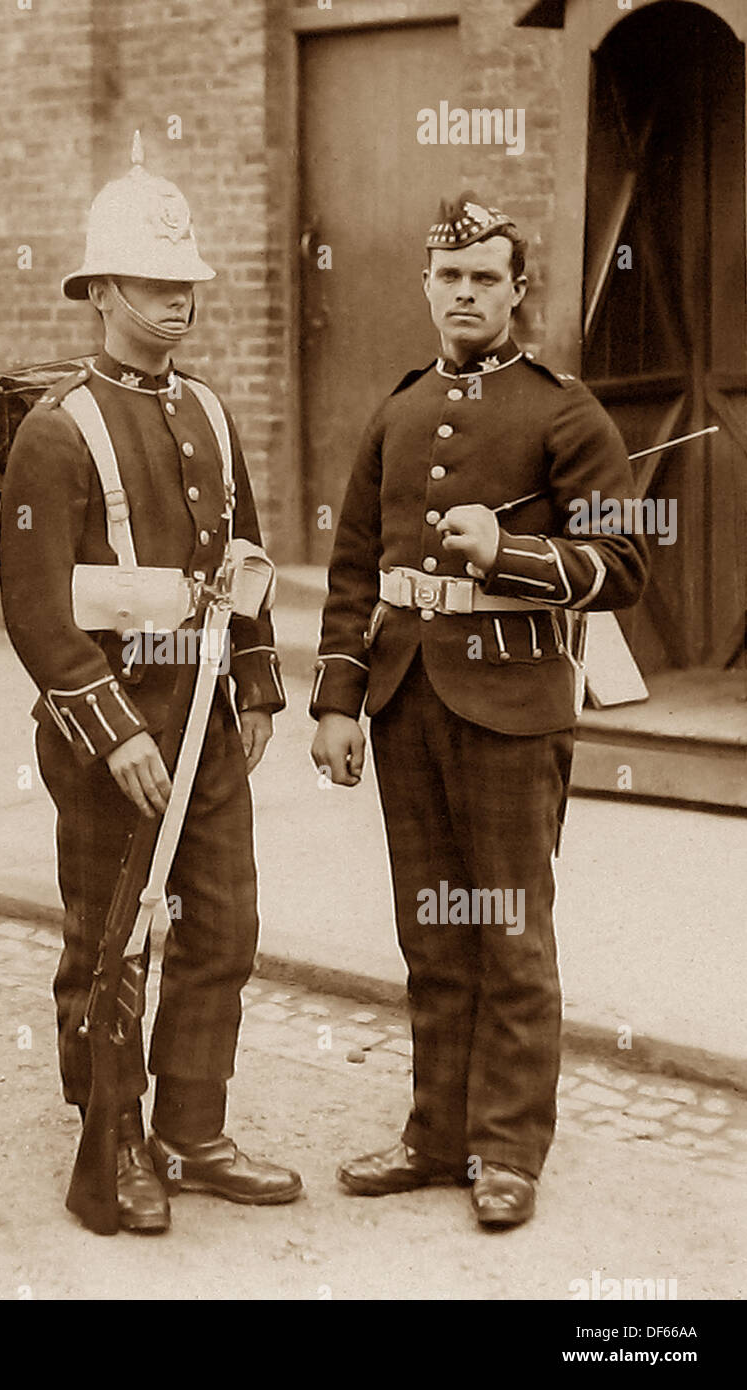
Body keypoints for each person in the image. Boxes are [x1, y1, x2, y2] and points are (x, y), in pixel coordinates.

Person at [309, 193, 648, 1228]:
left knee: (506, 930)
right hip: (407, 702)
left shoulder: (562, 411)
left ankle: (505, 1149)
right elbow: (352, 566)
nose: (463, 294)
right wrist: (336, 700)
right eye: (447, 277)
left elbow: (623, 566)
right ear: (425, 286)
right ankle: (433, 1132)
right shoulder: (398, 406)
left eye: (483, 279)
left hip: (511, 706)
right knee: (430, 928)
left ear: (514, 292)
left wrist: (507, 552)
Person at [0, 134, 302, 1234]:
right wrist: (110, 728)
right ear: (102, 291)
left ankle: (193, 1127)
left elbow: (247, 553)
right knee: (112, 935)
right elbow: (33, 606)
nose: (177, 305)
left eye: (186, 286)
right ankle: (110, 1139)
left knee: (223, 926)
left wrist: (259, 681)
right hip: (114, 729)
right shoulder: (56, 430)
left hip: (207, 718)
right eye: (154, 286)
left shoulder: (208, 410)